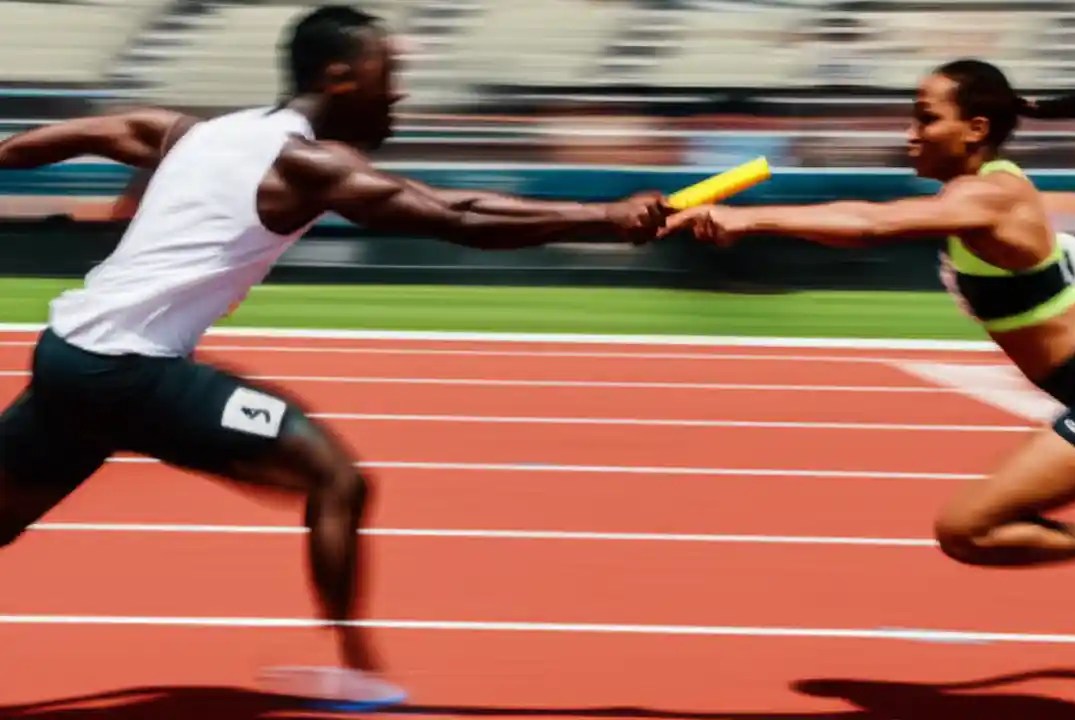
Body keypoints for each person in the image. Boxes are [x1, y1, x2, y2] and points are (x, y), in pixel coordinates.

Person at [0, 4, 668, 709]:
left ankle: (351, 669)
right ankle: (353, 672)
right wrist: (601, 217)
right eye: (392, 71)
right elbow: (457, 216)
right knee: (336, 481)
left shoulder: (196, 133)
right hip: (129, 373)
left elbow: (75, 135)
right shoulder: (305, 164)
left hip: (68, 357)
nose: (400, 91)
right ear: (341, 76)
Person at [661, 58, 1075, 708]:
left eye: (926, 117)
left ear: (975, 127)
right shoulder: (977, 192)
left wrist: (750, 220)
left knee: (967, 530)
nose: (911, 132)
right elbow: (873, 218)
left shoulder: (989, 195)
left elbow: (869, 223)